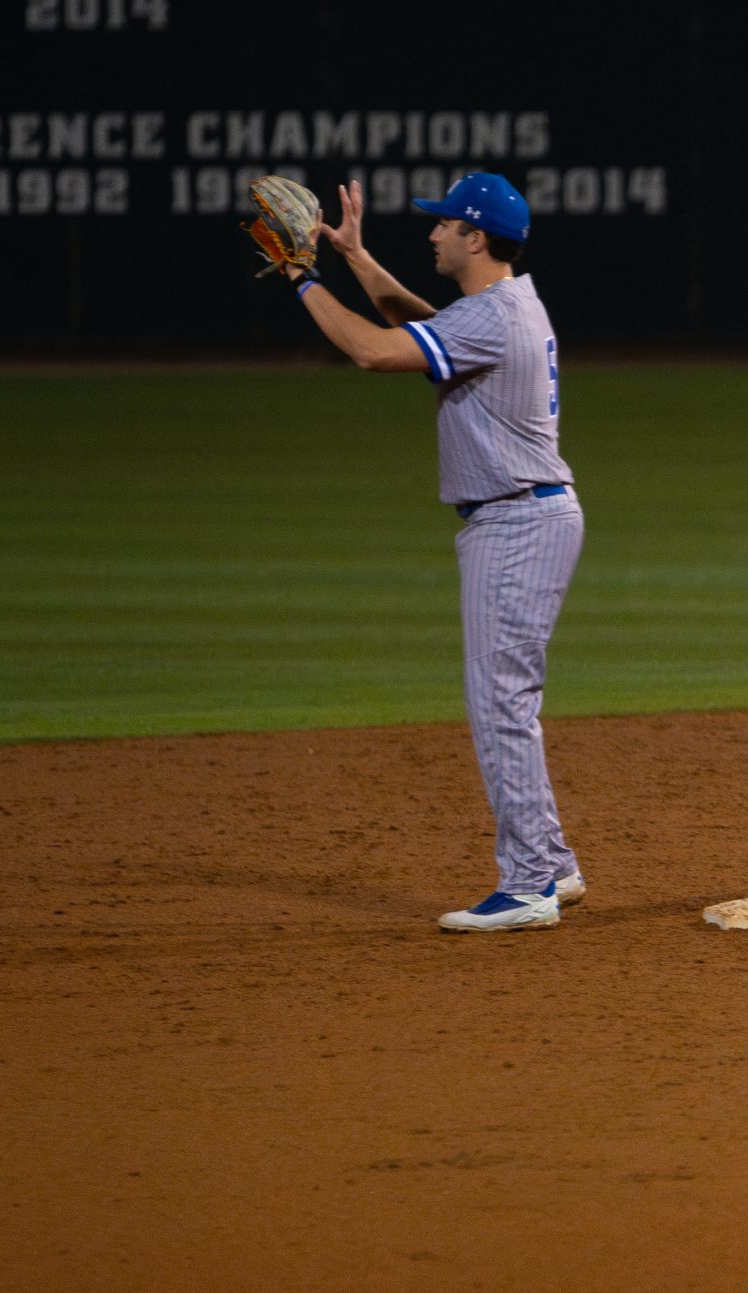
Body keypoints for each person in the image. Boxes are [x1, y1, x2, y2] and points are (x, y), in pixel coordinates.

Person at [285, 171, 589, 932]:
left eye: (445, 223)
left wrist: (300, 278)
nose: (432, 232)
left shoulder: (491, 318)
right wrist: (355, 256)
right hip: (530, 514)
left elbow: (372, 349)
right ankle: (550, 862)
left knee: (500, 704)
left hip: (516, 523)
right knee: (509, 700)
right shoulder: (504, 306)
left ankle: (528, 885)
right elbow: (426, 329)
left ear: (476, 237)